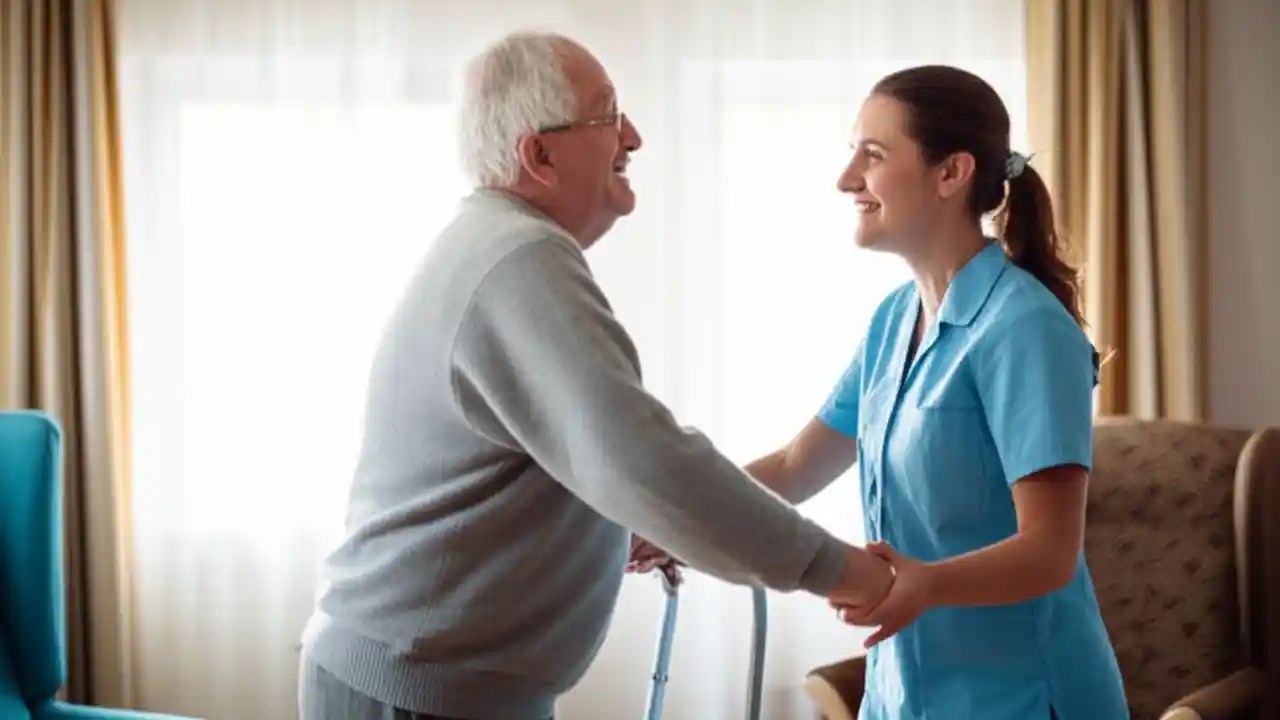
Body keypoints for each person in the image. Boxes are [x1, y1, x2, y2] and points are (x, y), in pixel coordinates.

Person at [296, 31, 894, 720]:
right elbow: (643, 459)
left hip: (431, 682)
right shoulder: (517, 259)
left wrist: (629, 526)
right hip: (421, 691)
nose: (632, 136)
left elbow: (578, 459)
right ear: (539, 155)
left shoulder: (495, 245)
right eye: (607, 115)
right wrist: (845, 573)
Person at [745, 65, 1128, 719]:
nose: (846, 180)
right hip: (904, 698)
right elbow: (793, 467)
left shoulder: (1026, 328)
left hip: (1024, 700)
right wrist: (675, 517)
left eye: (873, 155)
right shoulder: (893, 321)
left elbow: (1049, 552)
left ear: (950, 173)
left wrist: (924, 585)